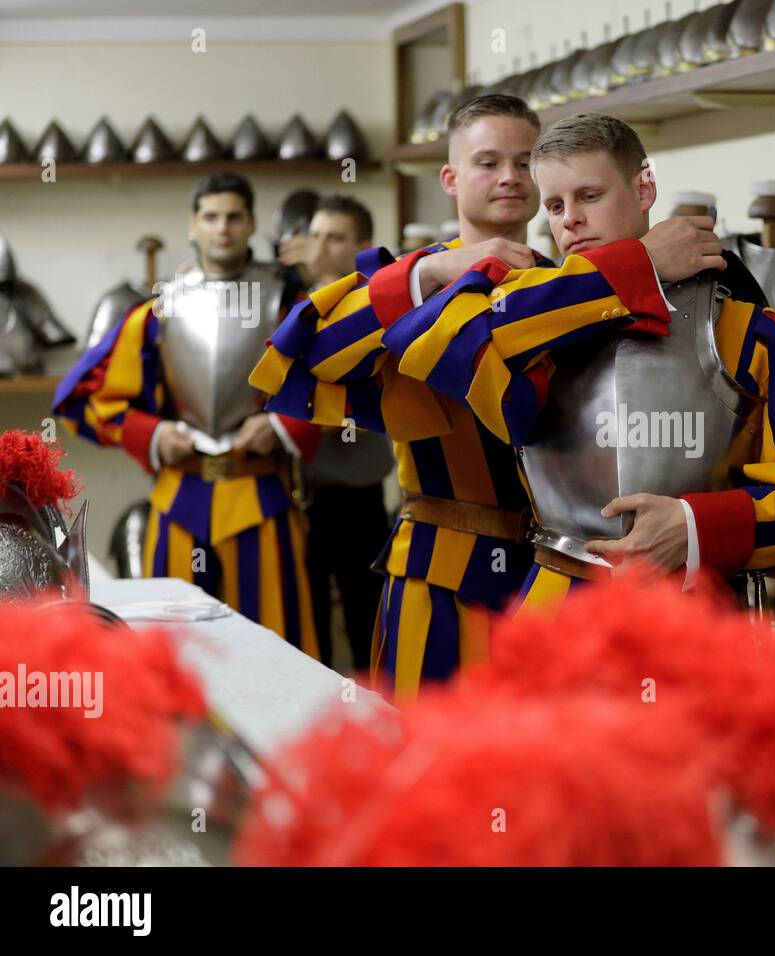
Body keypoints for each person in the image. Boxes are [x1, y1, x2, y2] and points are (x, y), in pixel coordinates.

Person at [377, 111, 775, 611]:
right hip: (556, 613)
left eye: (590, 195)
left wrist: (699, 526)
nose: (571, 221)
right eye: (556, 206)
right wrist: (630, 268)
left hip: (697, 613)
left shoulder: (744, 331)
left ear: (644, 188)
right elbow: (417, 338)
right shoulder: (530, 323)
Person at [251, 94, 549, 695]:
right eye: (488, 162)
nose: (510, 178)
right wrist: (431, 273)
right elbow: (302, 360)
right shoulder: (406, 284)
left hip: (552, 577)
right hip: (438, 570)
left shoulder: (569, 282)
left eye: (526, 161)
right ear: (450, 178)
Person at [53, 172, 320, 657]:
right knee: (178, 650)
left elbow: (334, 388)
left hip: (260, 496)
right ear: (192, 225)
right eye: (211, 216)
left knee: (274, 649)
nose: (222, 228)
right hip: (180, 496)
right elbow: (87, 399)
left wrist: (281, 426)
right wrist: (152, 434)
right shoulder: (160, 308)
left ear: (252, 223)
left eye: (234, 217)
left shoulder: (289, 302)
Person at [276, 195, 396, 674]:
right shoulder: (300, 305)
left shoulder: (369, 305)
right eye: (317, 235)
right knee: (304, 624)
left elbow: (331, 383)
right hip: (298, 491)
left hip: (353, 491)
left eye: (335, 238)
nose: (320, 248)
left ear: (363, 246)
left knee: (365, 615)